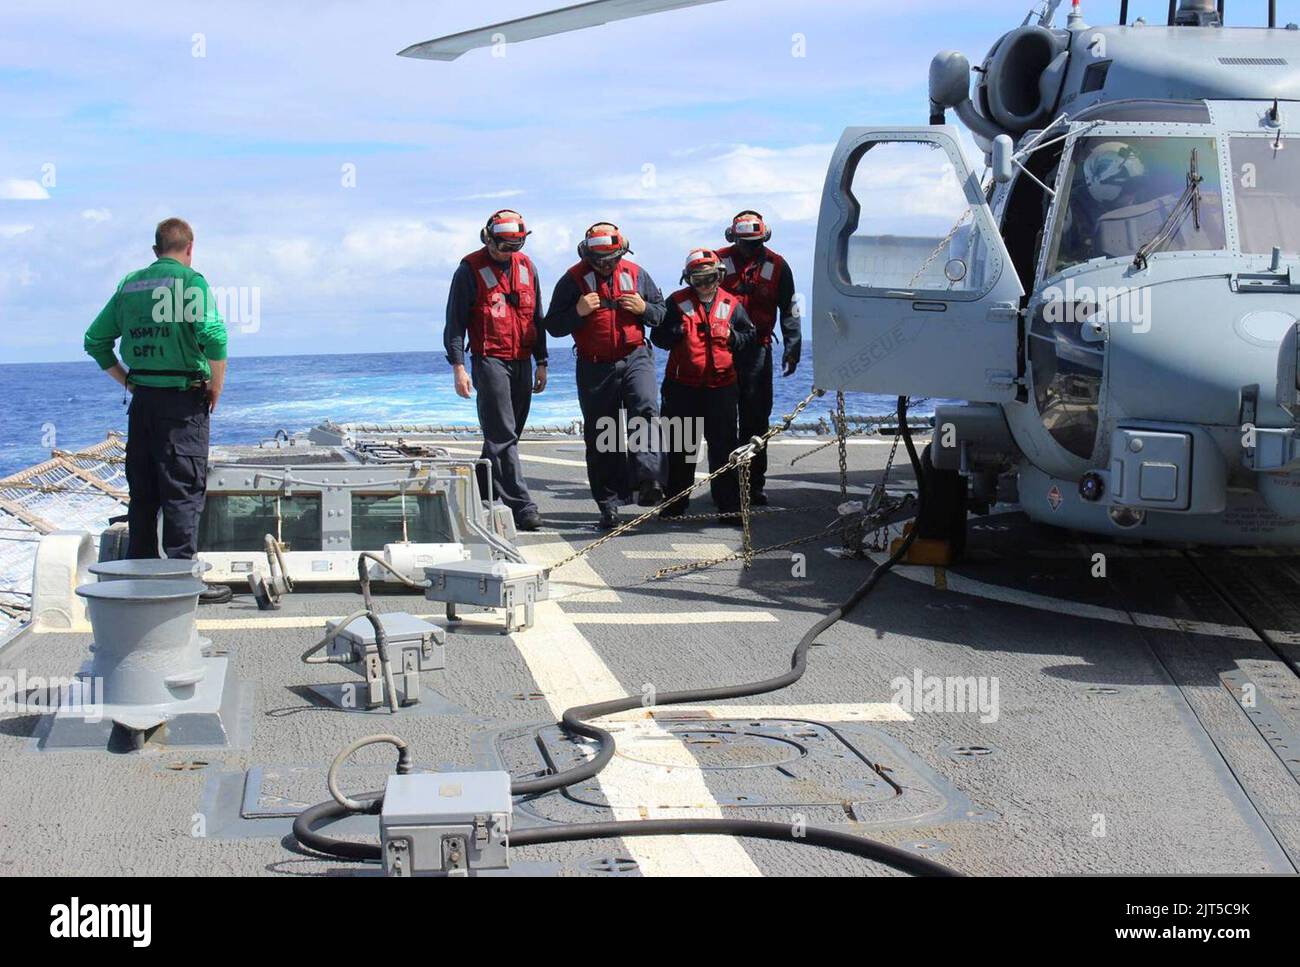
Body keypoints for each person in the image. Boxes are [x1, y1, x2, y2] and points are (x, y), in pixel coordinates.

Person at [83, 217, 227, 560]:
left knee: (144, 495)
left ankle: (140, 577)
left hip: (143, 403)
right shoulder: (191, 281)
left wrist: (128, 381)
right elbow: (214, 337)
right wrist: (216, 387)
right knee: (182, 493)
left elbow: (95, 341)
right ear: (190, 248)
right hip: (183, 406)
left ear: (155, 250)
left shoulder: (130, 284)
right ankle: (180, 582)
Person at [546, 223, 667, 530]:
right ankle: (609, 505)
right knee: (603, 432)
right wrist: (578, 311)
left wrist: (644, 309)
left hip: (636, 356)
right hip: (594, 365)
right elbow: (554, 325)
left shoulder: (637, 274)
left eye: (610, 259)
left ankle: (649, 479)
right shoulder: (572, 279)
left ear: (621, 253)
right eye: (597, 259)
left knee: (646, 409)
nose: (604, 265)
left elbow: (661, 314)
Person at [445, 210, 548, 532]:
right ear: (488, 237)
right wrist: (459, 367)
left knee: (509, 432)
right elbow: (455, 323)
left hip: (522, 359)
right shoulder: (469, 270)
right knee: (502, 434)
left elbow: (537, 316)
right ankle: (522, 506)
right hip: (489, 359)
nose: (507, 253)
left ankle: (479, 487)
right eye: (502, 246)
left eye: (513, 247)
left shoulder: (527, 266)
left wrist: (542, 362)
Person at [652, 249, 755, 519]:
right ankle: (675, 503)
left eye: (710, 278)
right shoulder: (675, 303)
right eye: (698, 280)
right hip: (682, 388)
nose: (705, 285)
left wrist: (732, 336)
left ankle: (729, 506)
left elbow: (749, 337)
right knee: (681, 448)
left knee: (723, 448)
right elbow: (658, 336)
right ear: (689, 280)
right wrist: (677, 333)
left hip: (721, 388)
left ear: (719, 276)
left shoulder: (732, 304)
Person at [718, 211, 801, 505]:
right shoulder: (715, 262)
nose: (749, 249)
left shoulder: (778, 266)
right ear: (733, 237)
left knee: (755, 420)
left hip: (757, 351)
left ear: (764, 238)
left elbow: (790, 307)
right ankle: (725, 486)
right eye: (744, 243)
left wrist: (793, 345)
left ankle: (754, 485)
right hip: (721, 351)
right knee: (723, 420)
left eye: (754, 243)